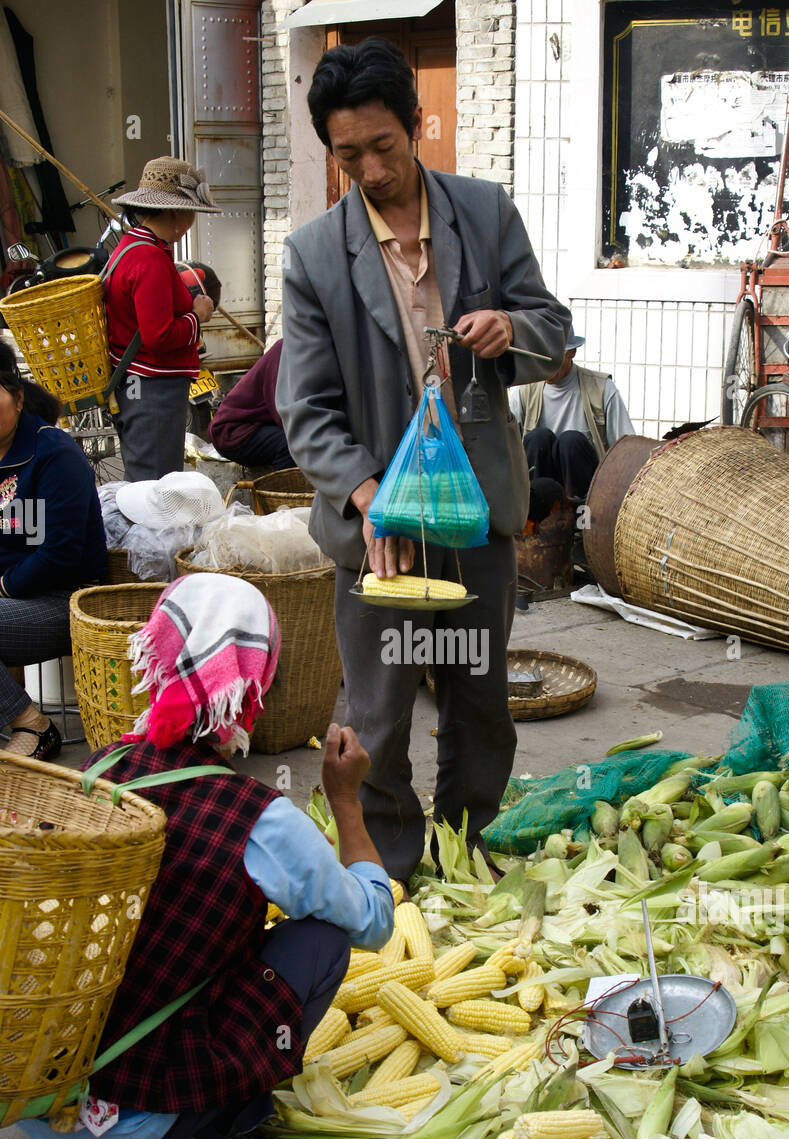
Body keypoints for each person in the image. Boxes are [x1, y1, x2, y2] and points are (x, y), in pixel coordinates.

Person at [277, 38, 571, 885]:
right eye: (348, 155)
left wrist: (511, 330)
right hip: (382, 529)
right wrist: (371, 500)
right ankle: (391, 870)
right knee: (381, 713)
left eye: (384, 147)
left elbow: (551, 324)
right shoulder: (315, 257)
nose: (370, 168)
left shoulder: (482, 213)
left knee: (482, 704)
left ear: (416, 126)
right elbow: (308, 410)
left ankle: (467, 852)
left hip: (476, 507)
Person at [17, 573, 394, 1139]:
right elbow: (374, 922)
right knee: (322, 938)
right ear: (255, 686)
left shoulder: (96, 770)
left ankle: (120, 1110)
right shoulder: (262, 820)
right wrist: (345, 801)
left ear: (154, 654)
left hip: (44, 1096)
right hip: (146, 1113)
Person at [0, 342, 107, 761]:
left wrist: (5, 586)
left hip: (65, 599)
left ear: (18, 395)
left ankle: (34, 725)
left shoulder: (54, 454)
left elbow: (60, 553)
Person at [104, 158, 221, 483]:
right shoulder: (149, 257)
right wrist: (198, 316)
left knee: (151, 482)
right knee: (153, 487)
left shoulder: (136, 246)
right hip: (151, 389)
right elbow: (158, 335)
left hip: (143, 385)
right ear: (175, 213)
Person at [509, 331, 635, 503]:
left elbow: (625, 448)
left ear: (571, 353)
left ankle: (580, 520)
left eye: (552, 359)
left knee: (570, 441)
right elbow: (507, 445)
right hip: (542, 485)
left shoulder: (601, 388)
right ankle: (534, 516)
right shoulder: (525, 391)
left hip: (584, 486)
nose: (545, 367)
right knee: (538, 438)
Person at [209, 340, 296, 475]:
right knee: (291, 445)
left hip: (259, 425)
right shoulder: (286, 351)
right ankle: (283, 493)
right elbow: (282, 408)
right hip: (232, 431)